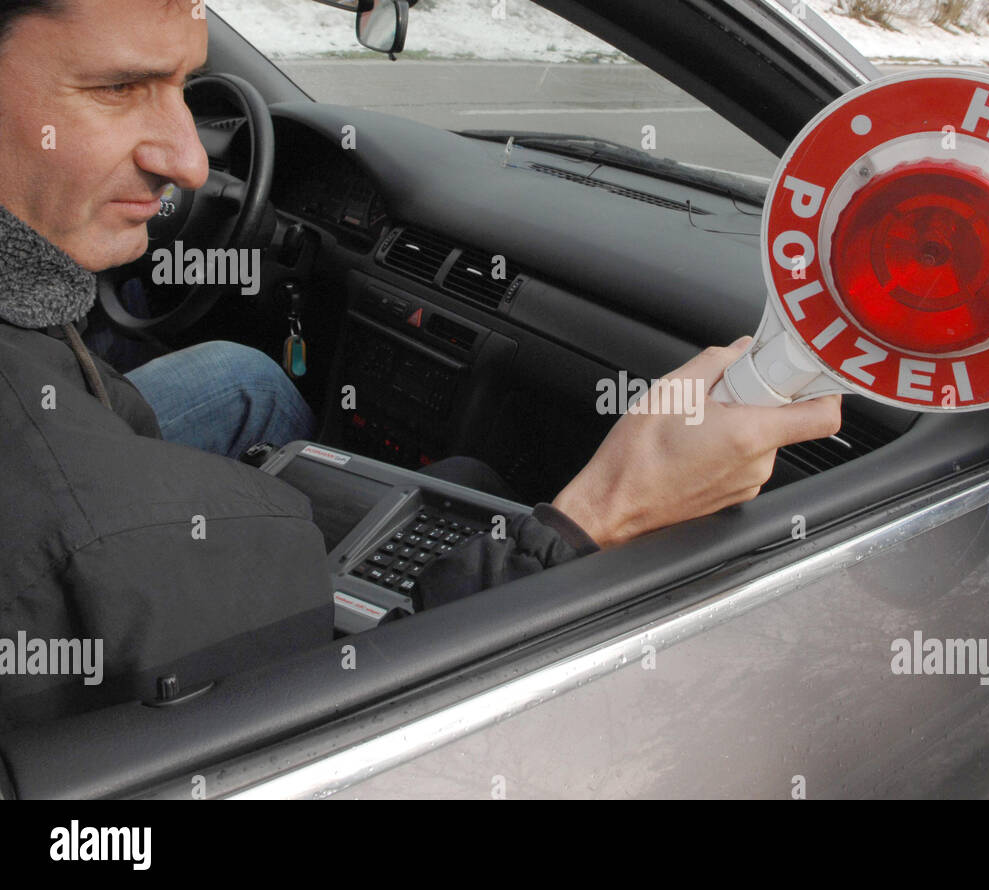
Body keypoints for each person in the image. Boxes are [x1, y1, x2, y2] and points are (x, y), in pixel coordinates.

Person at [0, 0, 841, 729]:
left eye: (184, 88)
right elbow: (337, 717)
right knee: (466, 471)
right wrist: (598, 516)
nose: (188, 163)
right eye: (116, 90)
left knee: (243, 376)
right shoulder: (95, 544)